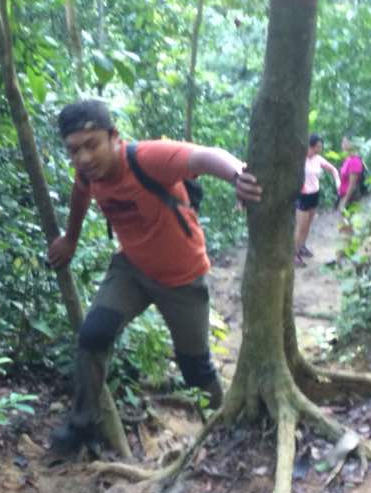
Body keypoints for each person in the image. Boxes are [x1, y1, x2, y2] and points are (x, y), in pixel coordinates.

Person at [46, 99, 262, 458]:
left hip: (182, 278)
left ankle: (223, 431)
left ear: (114, 137)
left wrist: (238, 175)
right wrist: (70, 239)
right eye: (74, 150)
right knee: (93, 335)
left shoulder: (147, 158)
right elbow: (80, 194)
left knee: (195, 367)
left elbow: (203, 157)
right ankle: (82, 427)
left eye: (92, 145)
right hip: (132, 270)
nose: (83, 158)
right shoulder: (88, 173)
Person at [294, 133, 338, 267]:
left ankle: (302, 246)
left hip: (314, 194)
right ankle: (294, 254)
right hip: (303, 195)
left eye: (321, 146)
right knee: (300, 225)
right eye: (319, 146)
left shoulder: (318, 159)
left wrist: (338, 181)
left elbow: (332, 169)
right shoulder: (300, 159)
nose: (321, 148)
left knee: (308, 223)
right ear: (311, 146)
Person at [336, 136, 365, 211]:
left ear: (352, 143)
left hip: (351, 198)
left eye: (345, 142)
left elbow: (352, 184)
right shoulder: (348, 159)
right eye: (342, 142)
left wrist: (345, 201)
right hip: (344, 195)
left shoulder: (355, 161)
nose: (342, 145)